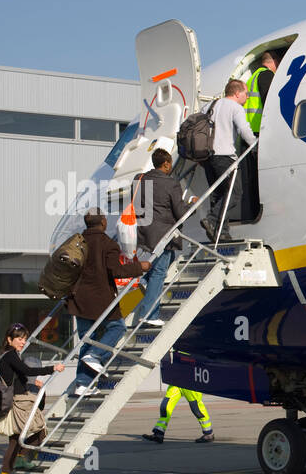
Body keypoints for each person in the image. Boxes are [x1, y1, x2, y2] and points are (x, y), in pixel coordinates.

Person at [67, 209, 150, 397]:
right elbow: (117, 271)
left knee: (88, 339)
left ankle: (83, 383)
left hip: (78, 300)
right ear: (103, 222)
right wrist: (140, 267)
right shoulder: (107, 244)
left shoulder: (77, 242)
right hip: (100, 300)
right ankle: (96, 355)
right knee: (118, 327)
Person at [0, 323, 65, 474]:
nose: (22, 342)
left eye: (24, 339)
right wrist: (52, 368)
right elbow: (27, 370)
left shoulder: (9, 355)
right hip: (20, 401)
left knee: (17, 439)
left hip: (19, 400)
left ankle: (10, 469)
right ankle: (12, 467)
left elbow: (21, 375)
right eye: (19, 338)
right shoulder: (10, 355)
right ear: (9, 339)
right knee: (39, 430)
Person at [135, 148, 189, 326]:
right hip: (162, 234)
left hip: (143, 231)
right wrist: (191, 205)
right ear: (166, 164)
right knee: (159, 272)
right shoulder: (170, 183)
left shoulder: (140, 179)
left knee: (162, 263)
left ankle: (145, 280)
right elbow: (180, 212)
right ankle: (149, 315)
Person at [201, 79, 257, 243]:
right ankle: (212, 220)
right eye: (246, 93)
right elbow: (244, 130)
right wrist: (254, 146)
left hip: (208, 158)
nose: (247, 97)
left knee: (219, 194)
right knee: (235, 192)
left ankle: (221, 232)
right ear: (237, 93)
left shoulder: (209, 106)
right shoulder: (235, 107)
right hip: (225, 156)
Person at [242, 51, 278, 222]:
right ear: (275, 63)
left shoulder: (251, 78)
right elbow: (270, 102)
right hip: (258, 132)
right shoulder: (266, 75)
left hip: (248, 132)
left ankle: (251, 213)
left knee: (251, 178)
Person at [142, 385, 214, 444]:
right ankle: (159, 434)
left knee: (197, 409)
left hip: (190, 381)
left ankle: (208, 434)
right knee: (165, 407)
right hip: (176, 380)